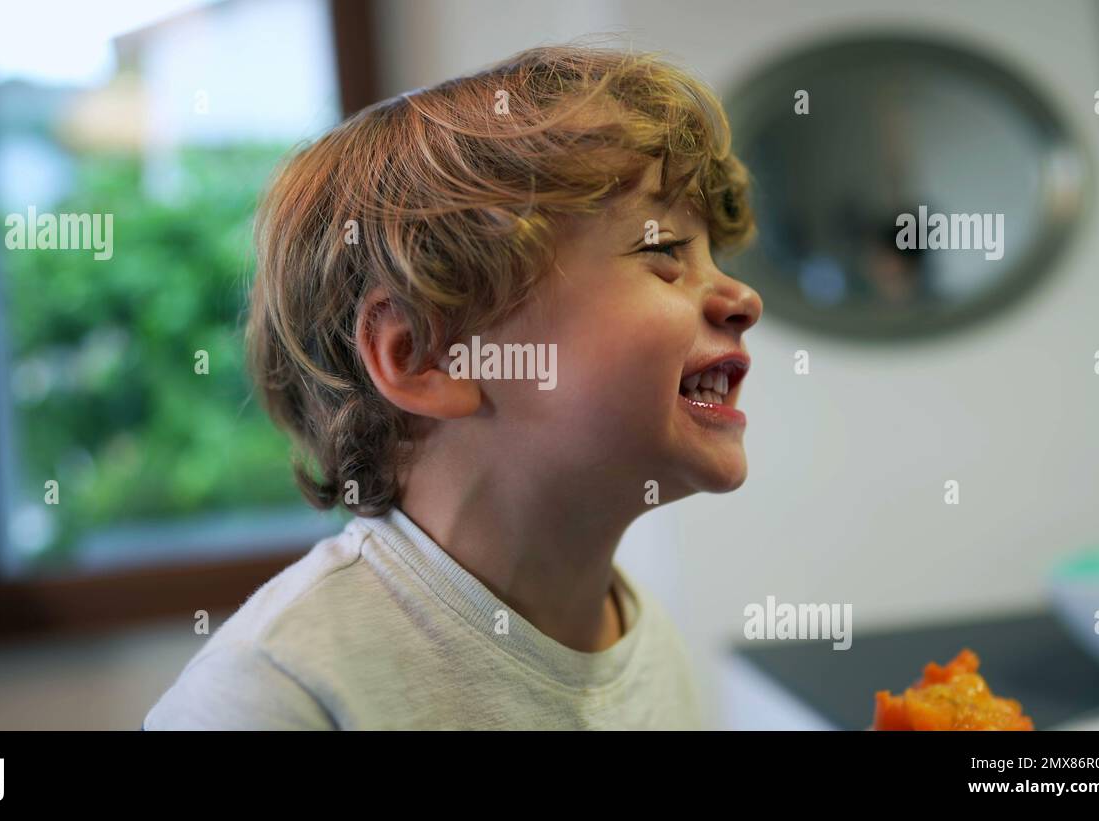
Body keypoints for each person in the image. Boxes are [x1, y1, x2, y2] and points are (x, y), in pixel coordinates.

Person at [144, 43, 762, 730]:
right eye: (665, 249)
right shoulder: (273, 694)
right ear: (425, 356)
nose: (743, 297)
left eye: (715, 253)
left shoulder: (655, 647)